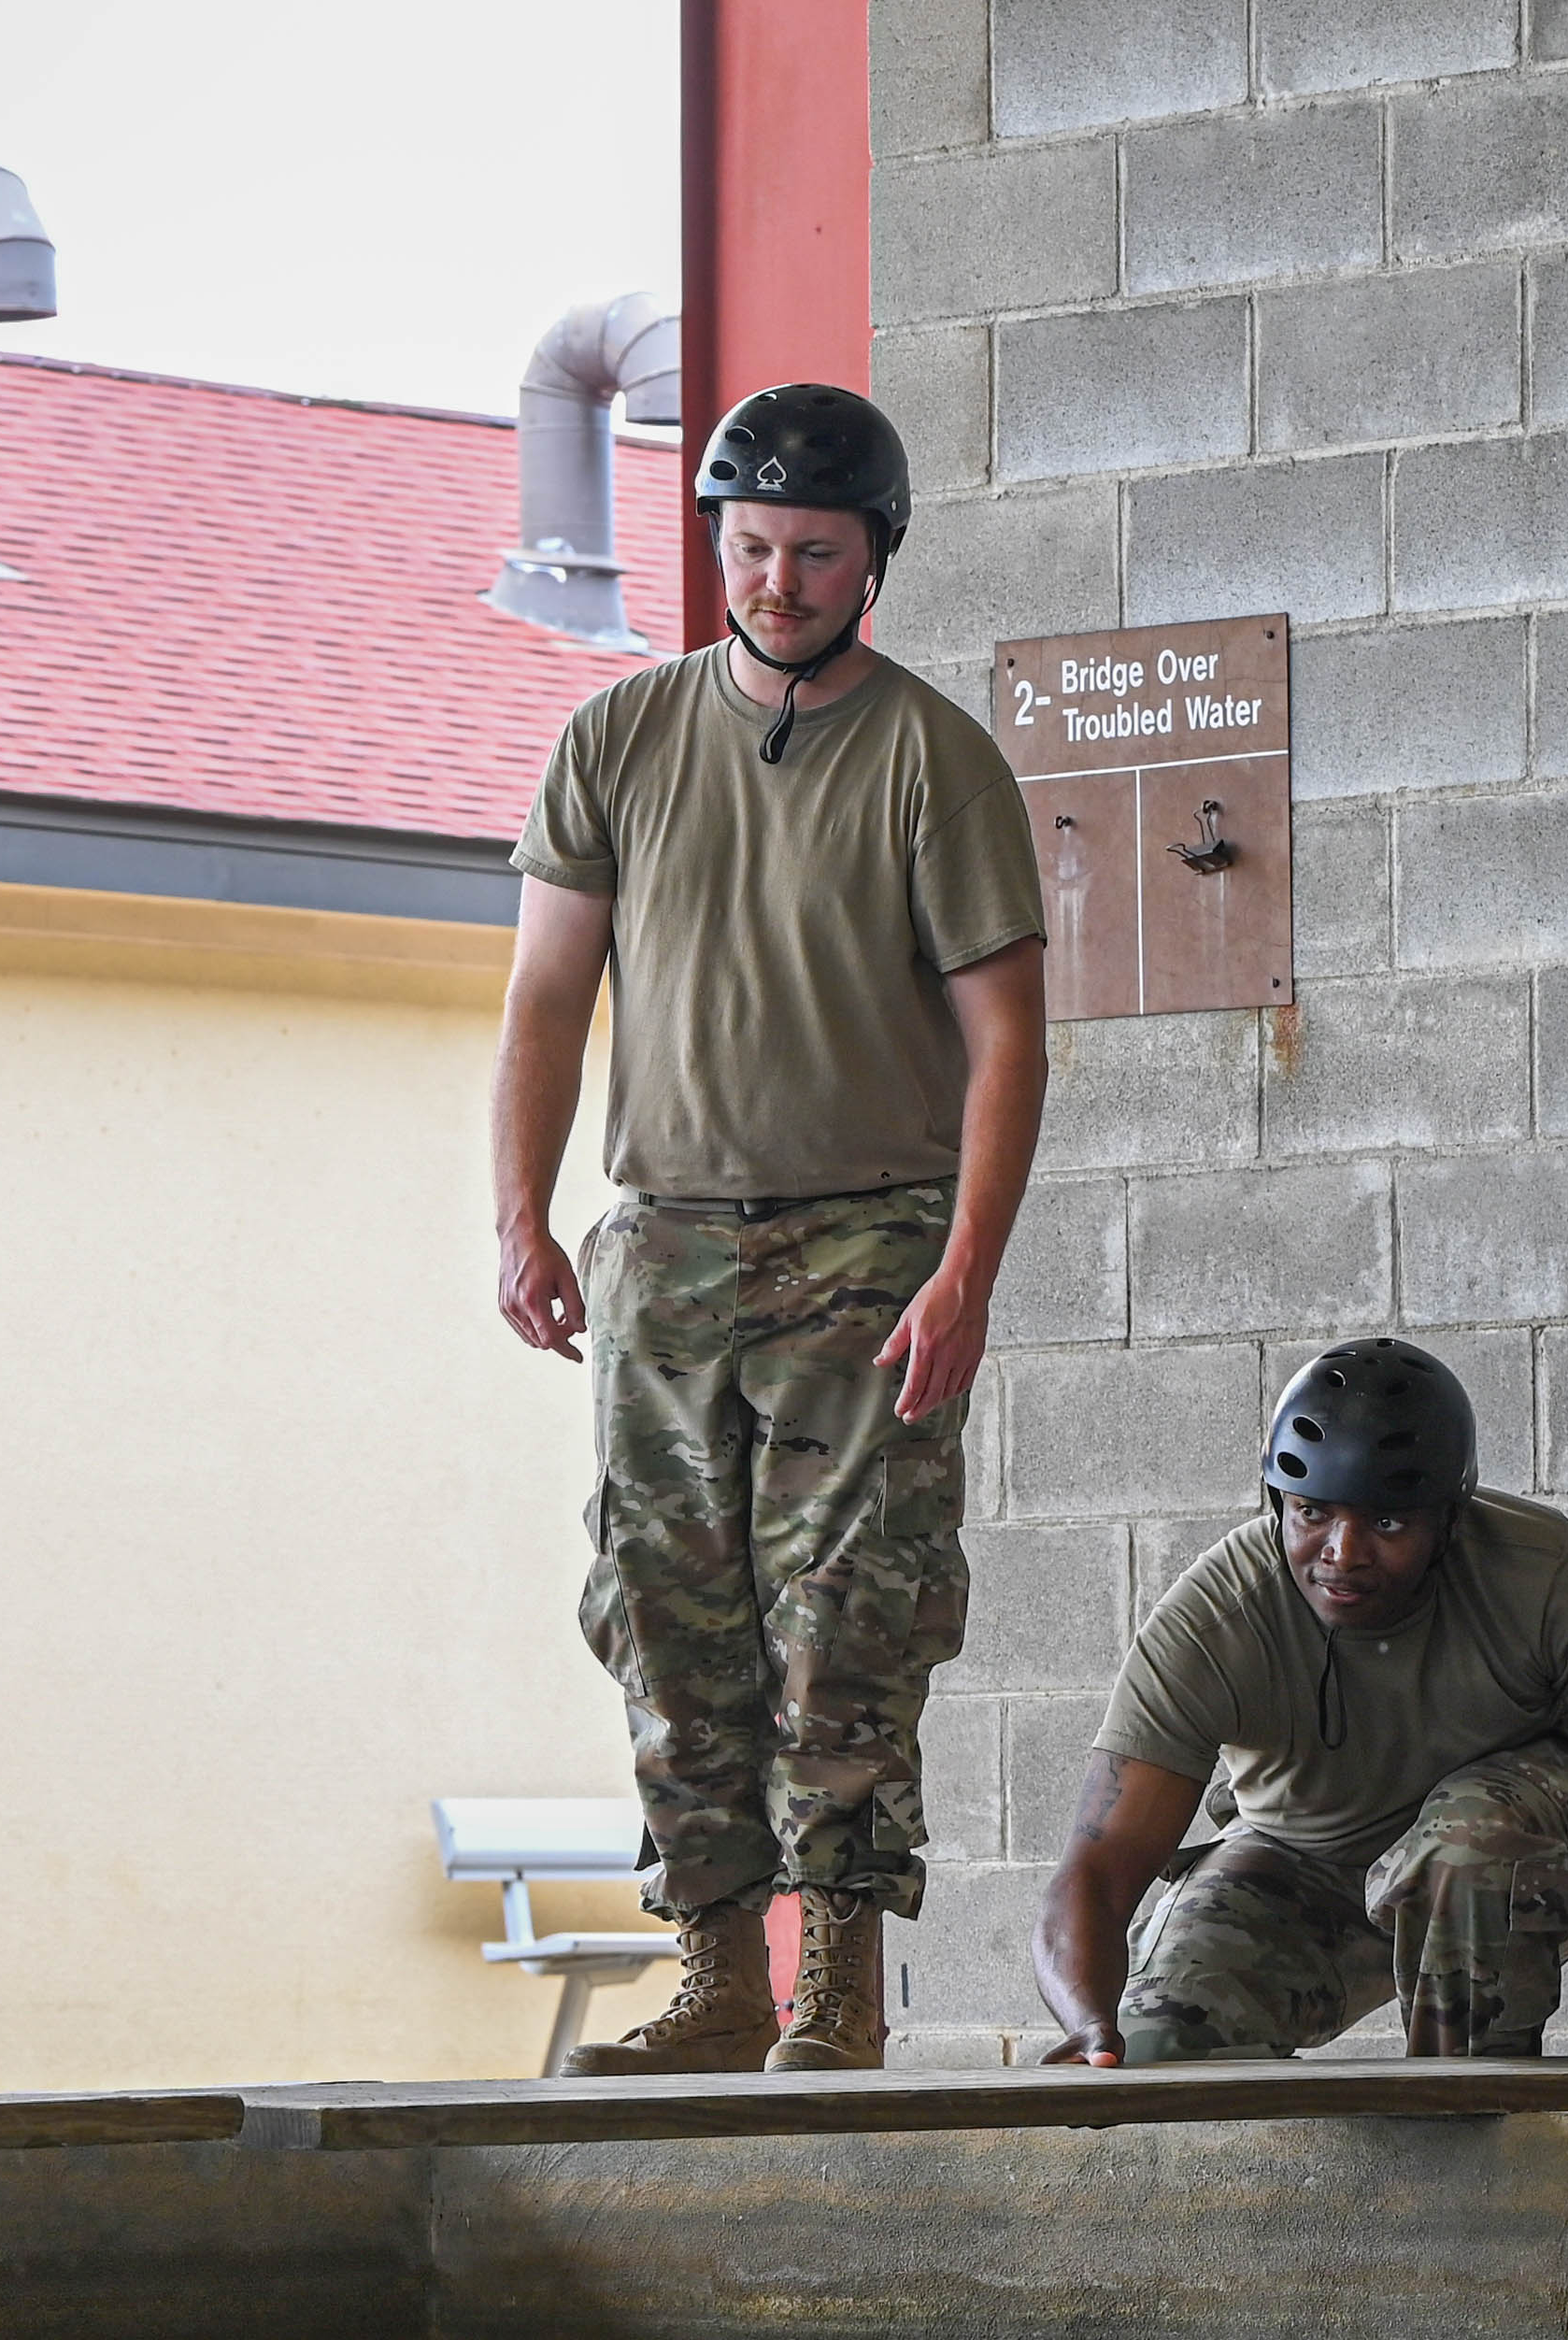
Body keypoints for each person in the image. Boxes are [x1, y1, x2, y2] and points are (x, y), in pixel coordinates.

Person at [492, 381, 1047, 2079]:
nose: (779, 583)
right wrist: (523, 1215)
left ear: (873, 558)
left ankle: (838, 1996)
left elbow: (1009, 1037)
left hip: (872, 1242)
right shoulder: (619, 738)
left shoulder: (934, 756)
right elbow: (543, 996)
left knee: (846, 1620)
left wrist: (965, 1272)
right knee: (666, 1609)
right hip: (665, 1235)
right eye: (750, 549)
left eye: (814, 554)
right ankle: (717, 1977)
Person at [1027, 1341, 1568, 2096]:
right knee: (1159, 2047)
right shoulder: (1216, 1619)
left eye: (1388, 1525)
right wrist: (1087, 2027)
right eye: (1312, 1515)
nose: (1343, 1554)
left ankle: (1467, 2114)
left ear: (1447, 1523)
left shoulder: (1543, 1576)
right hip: (1310, 1862)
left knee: (1467, 1841)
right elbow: (1096, 1868)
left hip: (1517, 1853)